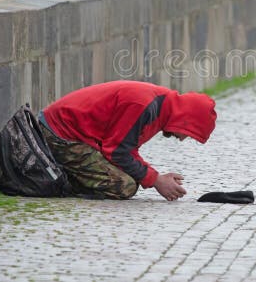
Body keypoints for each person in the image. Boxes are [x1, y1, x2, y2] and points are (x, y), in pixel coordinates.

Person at [38, 80, 217, 201]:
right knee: (124, 185)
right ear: (185, 120)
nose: (183, 139)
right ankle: (56, 180)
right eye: (189, 134)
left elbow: (126, 149)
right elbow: (116, 152)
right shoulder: (144, 106)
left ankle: (70, 175)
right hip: (58, 134)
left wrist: (155, 177)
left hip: (70, 133)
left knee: (133, 176)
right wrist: (156, 181)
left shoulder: (161, 107)